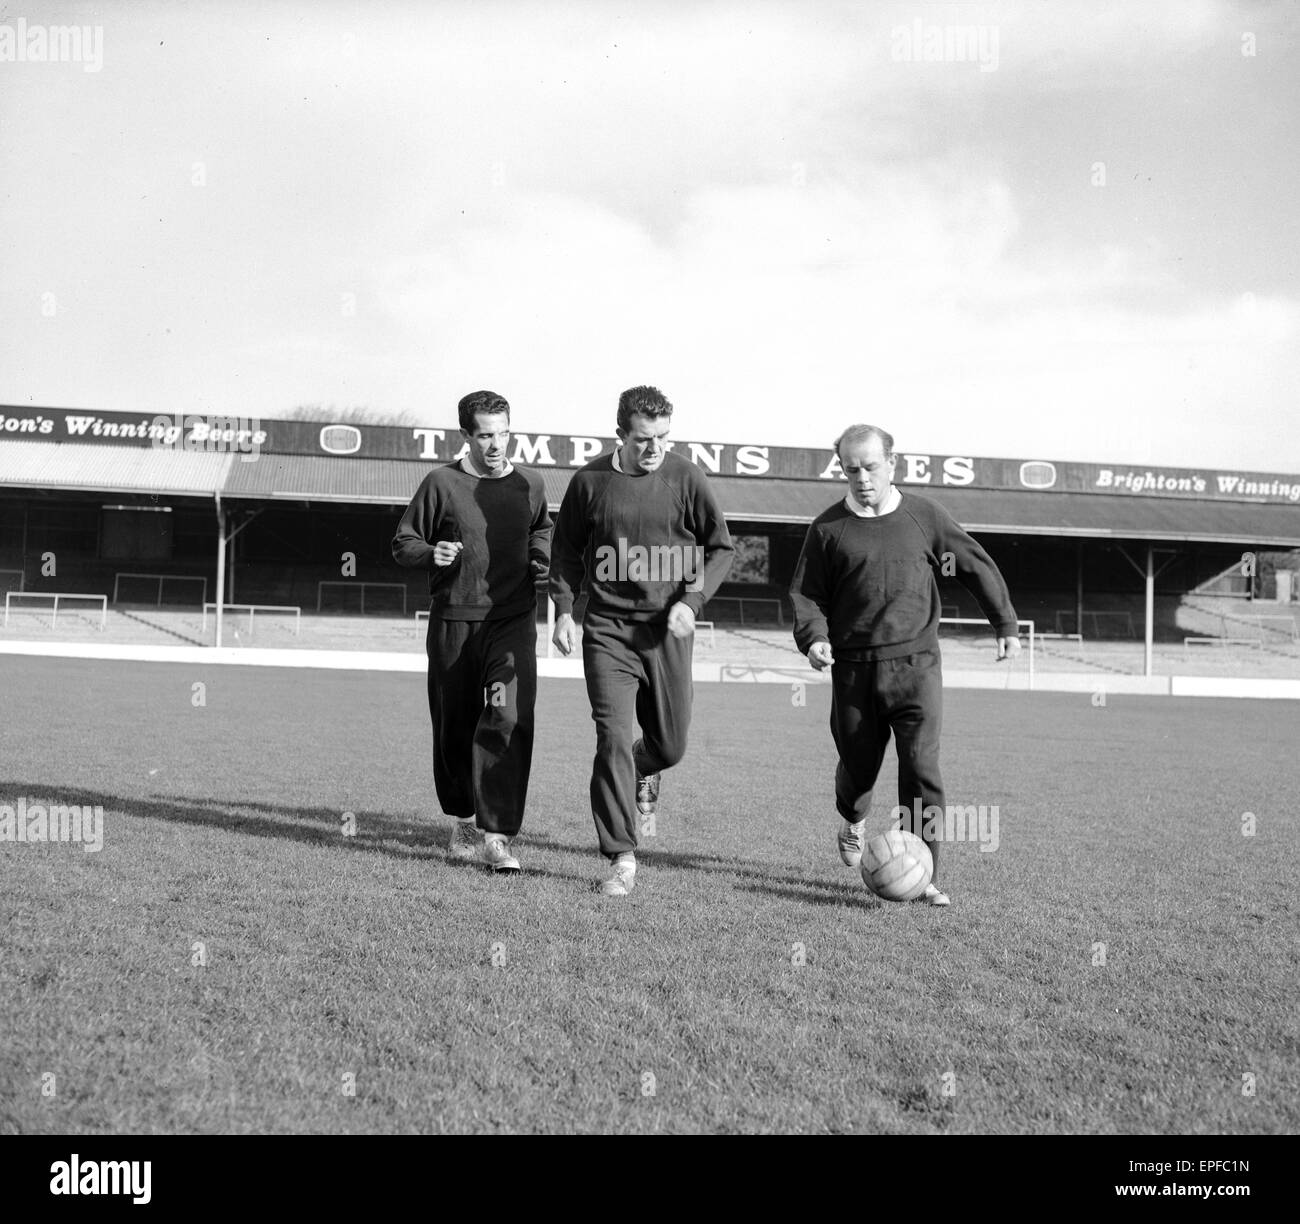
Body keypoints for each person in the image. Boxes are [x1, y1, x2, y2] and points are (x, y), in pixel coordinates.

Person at [789, 423, 1021, 906]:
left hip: (917, 666)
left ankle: (924, 871)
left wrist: (1004, 624)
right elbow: (807, 595)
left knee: (921, 770)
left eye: (871, 467)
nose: (861, 478)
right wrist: (814, 639)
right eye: (850, 469)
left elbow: (972, 564)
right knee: (858, 768)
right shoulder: (829, 530)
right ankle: (853, 818)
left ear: (893, 464)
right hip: (854, 672)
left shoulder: (924, 518)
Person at [550, 385, 734, 896]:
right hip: (608, 630)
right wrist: (564, 612)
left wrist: (690, 602)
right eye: (644, 439)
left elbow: (720, 550)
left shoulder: (684, 477)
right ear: (620, 435)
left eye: (663, 438)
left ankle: (645, 764)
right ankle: (621, 856)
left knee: (670, 747)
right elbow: (564, 552)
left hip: (667, 632)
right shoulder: (589, 481)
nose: (655, 448)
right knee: (610, 736)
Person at [392, 390, 551, 873]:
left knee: (508, 715)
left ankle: (498, 834)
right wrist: (430, 553)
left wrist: (541, 557)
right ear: (466, 435)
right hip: (454, 622)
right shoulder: (440, 483)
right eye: (485, 435)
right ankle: (462, 818)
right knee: (454, 725)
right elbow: (403, 542)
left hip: (512, 619)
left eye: (504, 432)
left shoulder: (531, 483)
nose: (496, 444)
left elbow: (542, 529)